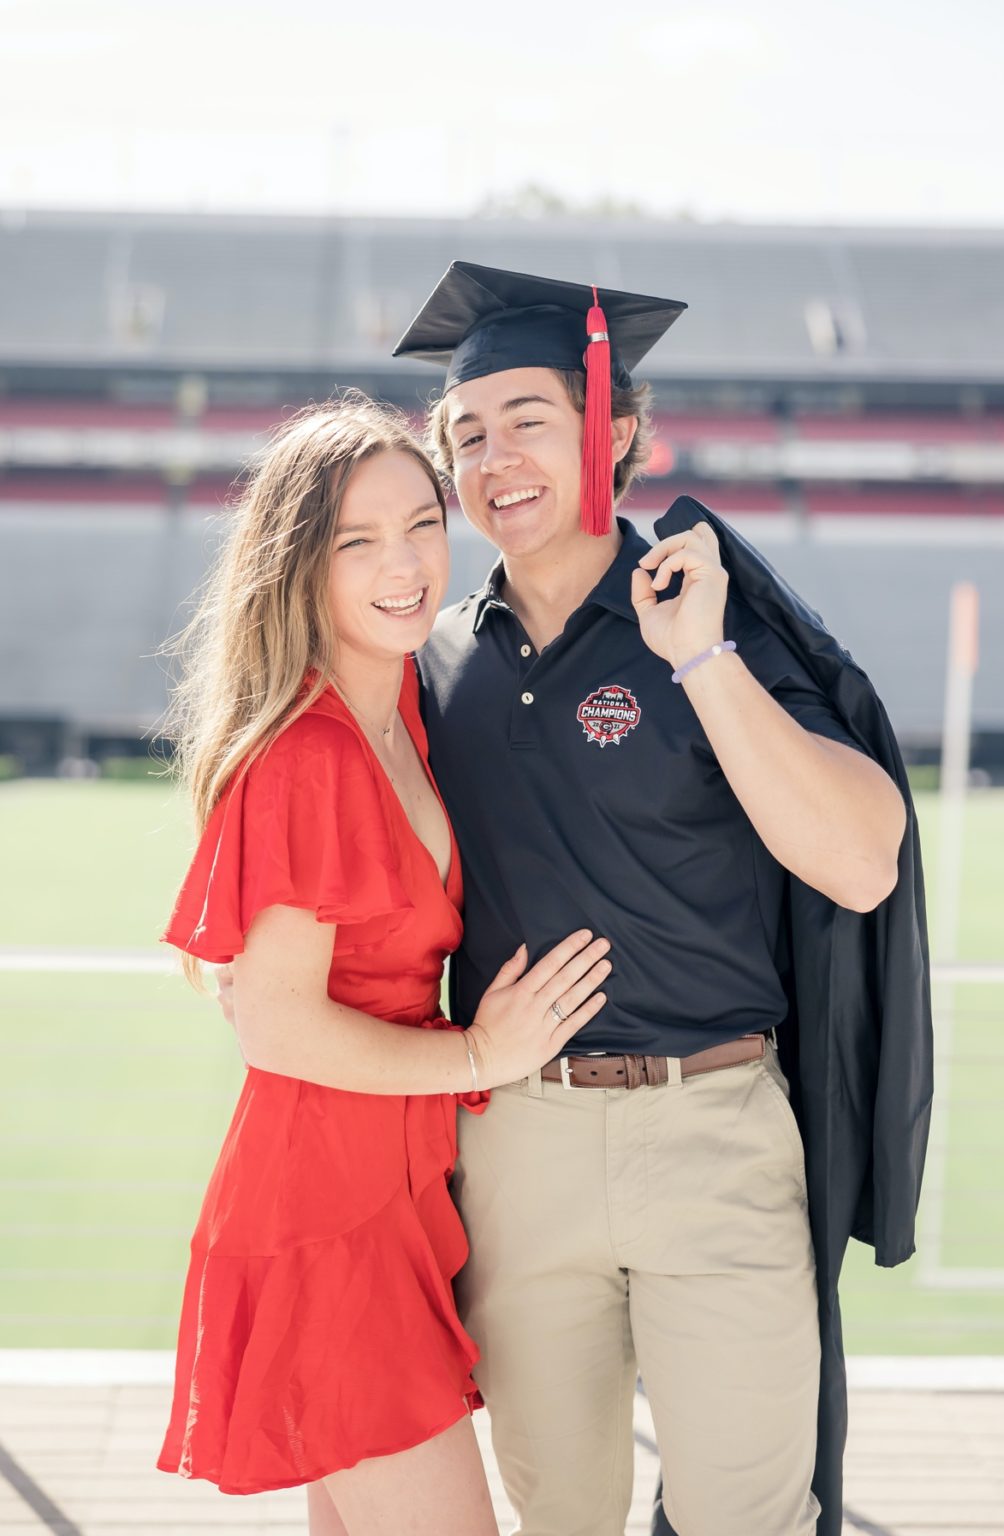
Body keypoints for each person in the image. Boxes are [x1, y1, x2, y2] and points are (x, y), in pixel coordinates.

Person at [390, 263, 932, 1536]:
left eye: (528, 417)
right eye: (467, 434)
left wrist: (704, 663)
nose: (495, 457)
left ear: (613, 428)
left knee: (747, 1514)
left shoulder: (708, 618)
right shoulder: (435, 656)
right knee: (558, 1507)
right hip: (519, 1140)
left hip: (716, 1130)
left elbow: (860, 860)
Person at [157, 393, 614, 1536]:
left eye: (421, 523)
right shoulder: (308, 751)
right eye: (357, 541)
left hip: (396, 1195)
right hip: (324, 1219)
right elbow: (274, 1025)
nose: (404, 564)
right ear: (296, 565)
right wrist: (482, 1049)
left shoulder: (405, 704)